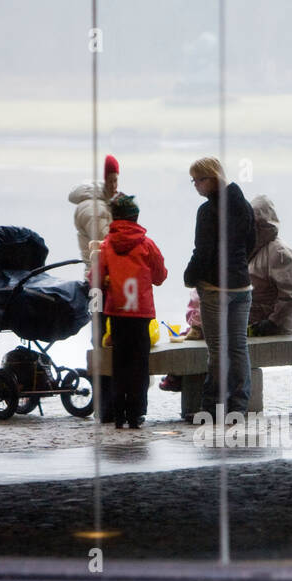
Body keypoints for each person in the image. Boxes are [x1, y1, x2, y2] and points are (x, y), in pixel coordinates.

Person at [183, 157, 255, 419]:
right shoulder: (243, 205)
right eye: (193, 181)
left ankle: (211, 408)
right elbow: (251, 242)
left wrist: (190, 277)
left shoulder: (207, 211)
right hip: (242, 287)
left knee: (217, 350)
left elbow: (202, 252)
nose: (196, 186)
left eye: (199, 180)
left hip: (215, 288)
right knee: (238, 348)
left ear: (212, 178)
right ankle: (239, 406)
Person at [93, 193, 166, 429]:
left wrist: (105, 279)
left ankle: (119, 412)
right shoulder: (147, 245)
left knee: (120, 363)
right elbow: (160, 276)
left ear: (114, 218)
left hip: (117, 312)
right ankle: (136, 413)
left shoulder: (106, 246)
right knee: (139, 364)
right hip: (141, 314)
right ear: (136, 218)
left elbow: (94, 279)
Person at [246, 195, 292, 336]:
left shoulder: (280, 253)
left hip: (274, 332)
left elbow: (291, 297)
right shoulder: (250, 250)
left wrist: (271, 323)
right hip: (252, 328)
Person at [68, 154, 120, 266]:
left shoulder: (102, 204)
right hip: (98, 276)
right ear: (103, 181)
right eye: (109, 181)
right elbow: (106, 244)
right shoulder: (94, 210)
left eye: (115, 181)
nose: (114, 186)